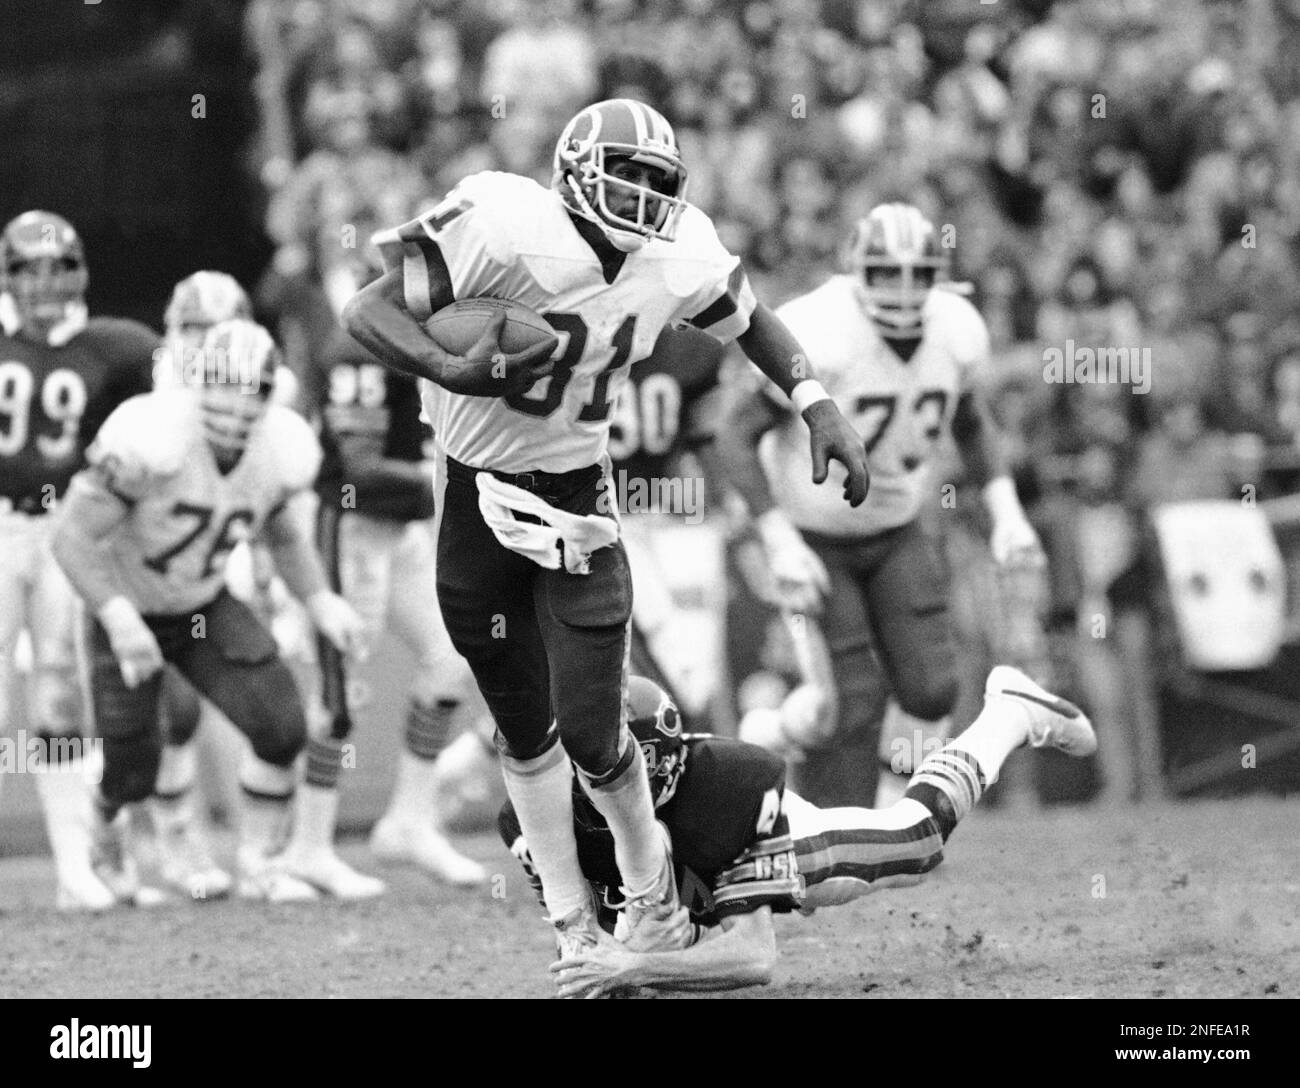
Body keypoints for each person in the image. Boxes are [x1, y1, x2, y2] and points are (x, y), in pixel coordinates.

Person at [343, 97, 869, 986]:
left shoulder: (680, 251)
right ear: (577, 168)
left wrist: (816, 404)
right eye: (626, 174)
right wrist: (449, 366)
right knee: (521, 727)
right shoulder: (503, 222)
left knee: (594, 728)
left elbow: (753, 322)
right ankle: (571, 921)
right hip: (475, 493)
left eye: (658, 181)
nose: (641, 195)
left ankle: (650, 896)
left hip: (579, 492)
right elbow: (368, 309)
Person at [717, 203, 1042, 809]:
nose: (901, 288)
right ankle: (782, 743)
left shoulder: (957, 329)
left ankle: (897, 819)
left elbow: (971, 424)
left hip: (894, 527)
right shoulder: (817, 327)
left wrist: (1008, 513)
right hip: (813, 536)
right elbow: (735, 435)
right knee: (851, 702)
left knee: (933, 687)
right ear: (854, 270)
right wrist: (778, 538)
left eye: (916, 274)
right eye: (886, 272)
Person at [506, 670, 1096, 997]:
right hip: (682, 892)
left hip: (771, 849)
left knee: (917, 840)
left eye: (656, 765)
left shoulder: (720, 794)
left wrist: (633, 967)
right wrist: (612, 958)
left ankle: (1009, 713)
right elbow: (585, 945)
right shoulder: (540, 816)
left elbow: (755, 957)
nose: (645, 783)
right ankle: (781, 729)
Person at [50, 318, 365, 904]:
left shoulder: (284, 447)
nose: (234, 414)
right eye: (222, 393)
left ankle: (259, 861)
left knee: (280, 725)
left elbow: (283, 535)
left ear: (271, 396)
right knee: (133, 767)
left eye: (250, 398)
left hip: (203, 603)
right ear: (195, 385)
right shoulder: (151, 435)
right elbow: (71, 537)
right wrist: (119, 619)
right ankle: (103, 832)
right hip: (128, 606)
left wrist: (320, 599)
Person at [285, 317, 488, 890]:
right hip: (350, 526)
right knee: (339, 689)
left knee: (451, 659)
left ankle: (410, 821)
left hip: (405, 531)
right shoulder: (364, 340)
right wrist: (461, 481)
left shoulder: (451, 328)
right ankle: (307, 845)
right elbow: (360, 469)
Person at [0, 210, 158, 911]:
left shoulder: (117, 348)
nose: (42, 284)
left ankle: (74, 868)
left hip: (66, 530)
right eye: (27, 269)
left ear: (81, 272)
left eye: (56, 267)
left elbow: (169, 415)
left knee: (61, 691)